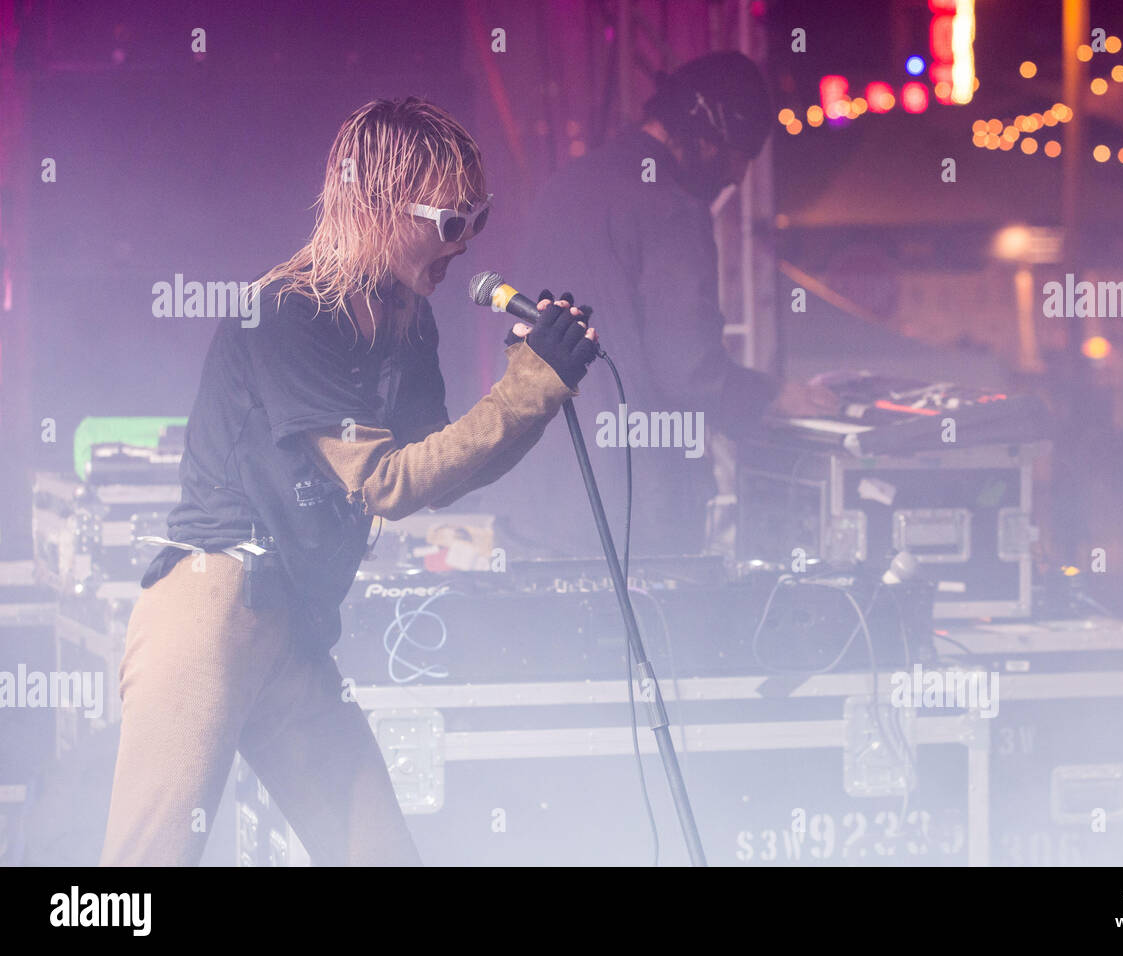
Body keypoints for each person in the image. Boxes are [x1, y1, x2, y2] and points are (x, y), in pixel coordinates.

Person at [99, 97, 598, 866]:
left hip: (292, 629)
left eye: (480, 220)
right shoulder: (289, 311)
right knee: (137, 880)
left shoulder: (410, 320)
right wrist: (527, 388)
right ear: (378, 206)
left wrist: (536, 378)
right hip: (210, 613)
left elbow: (439, 476)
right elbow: (387, 485)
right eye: (450, 221)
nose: (466, 244)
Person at [489, 51, 839, 559]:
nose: (738, 177)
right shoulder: (671, 207)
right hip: (632, 508)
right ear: (707, 134)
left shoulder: (567, 185)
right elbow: (686, 369)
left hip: (538, 493)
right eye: (742, 152)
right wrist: (769, 398)